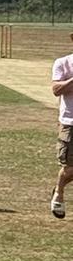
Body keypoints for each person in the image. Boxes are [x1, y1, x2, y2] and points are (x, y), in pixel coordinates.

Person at [52, 35, 73, 218]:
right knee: (70, 168)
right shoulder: (63, 63)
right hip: (70, 122)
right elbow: (56, 90)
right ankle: (59, 192)